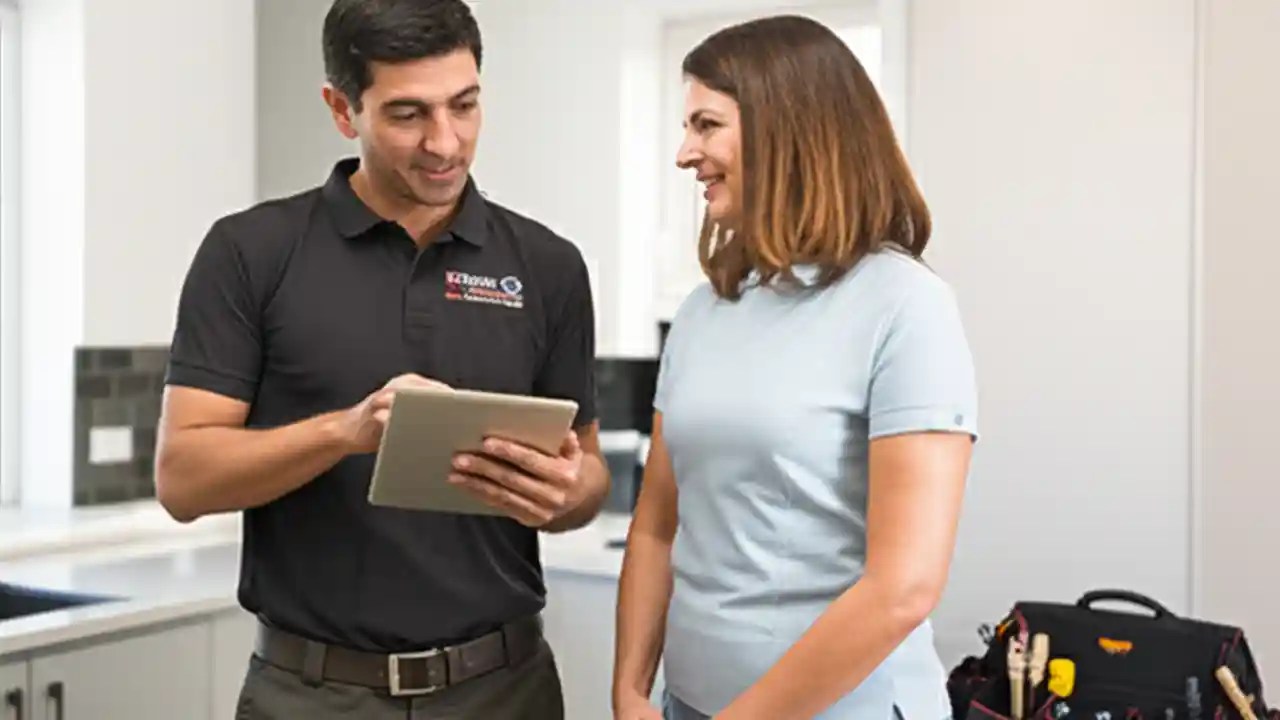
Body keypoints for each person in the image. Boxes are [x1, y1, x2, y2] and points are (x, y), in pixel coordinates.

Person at [154, 1, 609, 717]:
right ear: (342, 109)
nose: (446, 142)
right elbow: (183, 479)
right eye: (408, 114)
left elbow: (587, 473)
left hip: (506, 690)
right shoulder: (251, 253)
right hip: (309, 694)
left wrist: (568, 494)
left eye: (464, 105)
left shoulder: (548, 266)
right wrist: (349, 431)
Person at [612, 14, 979, 720]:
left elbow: (903, 586)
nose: (685, 153)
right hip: (687, 702)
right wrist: (630, 689)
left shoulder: (905, 306)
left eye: (707, 124)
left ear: (789, 128)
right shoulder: (702, 312)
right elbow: (658, 521)